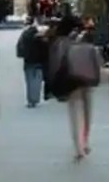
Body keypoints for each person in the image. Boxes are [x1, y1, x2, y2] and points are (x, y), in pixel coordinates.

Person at [50, 22, 103, 160]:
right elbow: (99, 65)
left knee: (74, 115)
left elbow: (59, 64)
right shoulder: (91, 48)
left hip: (72, 83)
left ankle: (78, 147)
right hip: (87, 84)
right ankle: (85, 140)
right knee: (87, 114)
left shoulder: (66, 47)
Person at [16, 17, 49, 107]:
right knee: (37, 81)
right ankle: (35, 98)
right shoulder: (41, 37)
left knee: (29, 81)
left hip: (28, 61)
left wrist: (22, 54)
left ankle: (31, 99)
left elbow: (20, 46)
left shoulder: (25, 35)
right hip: (38, 61)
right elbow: (45, 49)